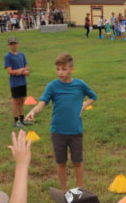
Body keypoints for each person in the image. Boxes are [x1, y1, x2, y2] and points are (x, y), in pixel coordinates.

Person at [24, 53, 97, 190]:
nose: (60, 72)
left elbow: (93, 96)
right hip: (58, 132)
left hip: (75, 131)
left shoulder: (80, 85)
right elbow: (42, 103)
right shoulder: (52, 86)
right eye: (57, 69)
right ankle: (64, 191)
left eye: (63, 69)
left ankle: (80, 189)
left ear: (72, 69)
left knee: (77, 162)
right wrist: (33, 111)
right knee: (61, 163)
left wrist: (83, 106)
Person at [3, 38, 30, 128]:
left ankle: (22, 119)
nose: (14, 45)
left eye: (15, 43)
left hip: (23, 81)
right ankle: (16, 120)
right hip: (15, 83)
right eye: (11, 44)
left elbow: (27, 68)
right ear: (9, 45)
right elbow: (10, 71)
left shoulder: (22, 54)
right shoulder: (8, 56)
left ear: (18, 44)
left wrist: (22, 71)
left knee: (22, 100)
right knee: (16, 101)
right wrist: (21, 70)